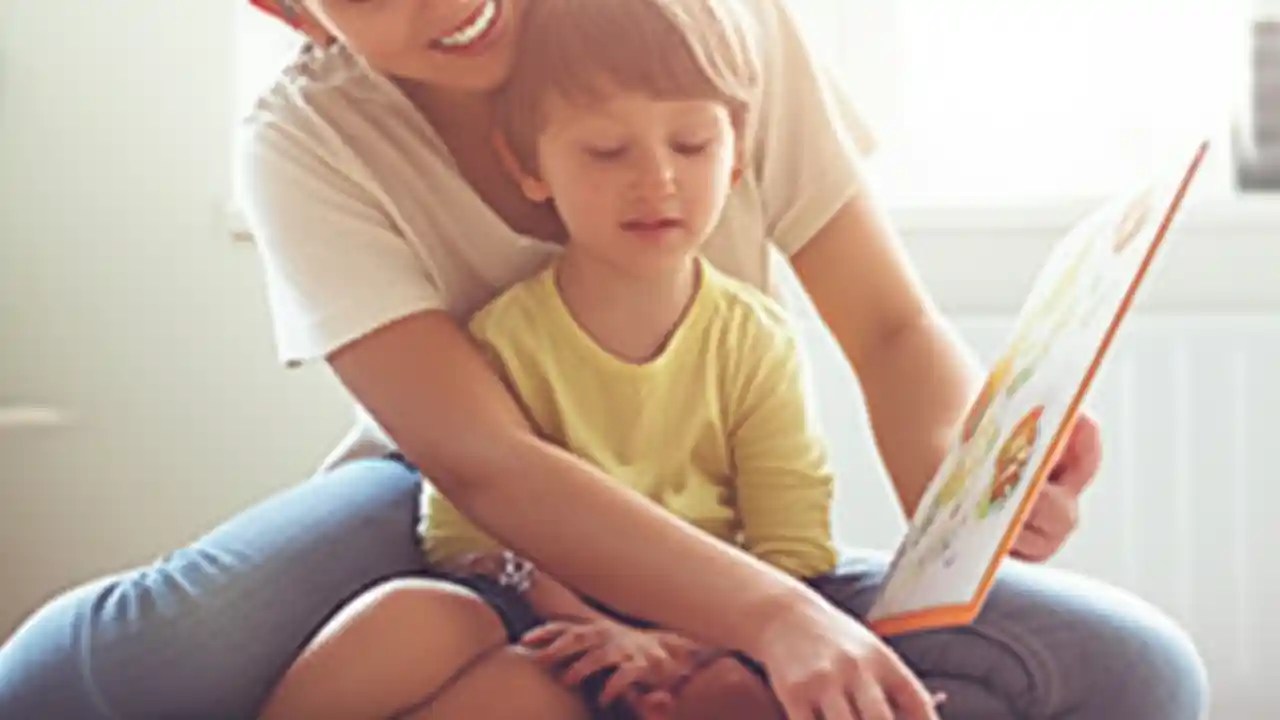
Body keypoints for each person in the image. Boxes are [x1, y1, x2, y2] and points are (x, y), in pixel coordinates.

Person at [0, 0, 1209, 718]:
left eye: (688, 148)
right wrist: (770, 619)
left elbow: (890, 334)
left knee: (1133, 671)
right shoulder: (308, 140)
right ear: (290, 10)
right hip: (447, 497)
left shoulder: (702, 30)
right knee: (86, 677)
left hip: (713, 511)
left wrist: (974, 486)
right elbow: (486, 464)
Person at [258, 1, 867, 716]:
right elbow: (467, 524)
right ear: (529, 168)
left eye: (693, 146)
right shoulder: (505, 335)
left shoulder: (753, 343)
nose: (657, 181)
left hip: (712, 617)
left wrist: (688, 642)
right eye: (608, 152)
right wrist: (585, 623)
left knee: (720, 698)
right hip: (545, 601)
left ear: (736, 155)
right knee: (414, 619)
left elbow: (793, 546)